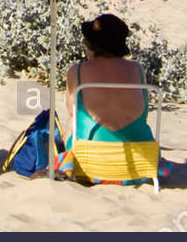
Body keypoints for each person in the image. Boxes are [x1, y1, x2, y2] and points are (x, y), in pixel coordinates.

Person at [62, 15, 160, 183]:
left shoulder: (76, 71)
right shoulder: (137, 70)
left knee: (72, 120)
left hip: (90, 166)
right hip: (141, 166)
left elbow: (72, 111)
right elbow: (143, 113)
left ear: (91, 45)